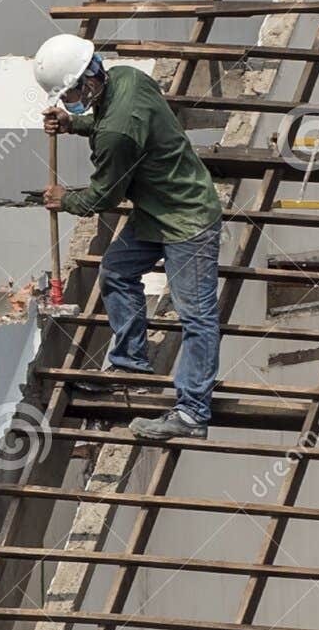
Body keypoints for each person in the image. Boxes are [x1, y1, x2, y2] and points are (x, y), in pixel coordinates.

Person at [36, 33, 223, 440]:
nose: (69, 102)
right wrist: (74, 124)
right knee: (117, 270)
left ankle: (192, 413)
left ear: (88, 79)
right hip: (157, 210)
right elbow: (116, 123)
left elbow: (104, 196)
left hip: (188, 220)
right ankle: (130, 363)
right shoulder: (127, 78)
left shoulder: (116, 134)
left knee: (196, 317)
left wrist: (65, 199)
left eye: (70, 96)